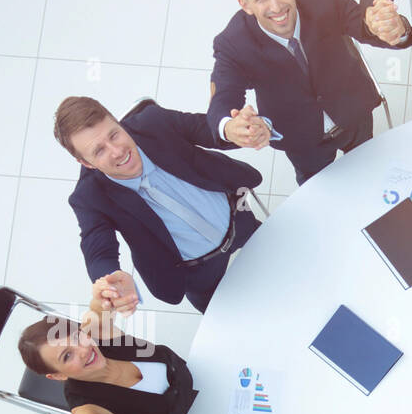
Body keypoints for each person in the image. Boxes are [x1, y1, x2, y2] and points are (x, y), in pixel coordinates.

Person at [209, 0, 412, 185]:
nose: (276, 7)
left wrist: (395, 29)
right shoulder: (233, 43)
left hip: (353, 112)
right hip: (300, 139)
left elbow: (367, 27)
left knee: (372, 174)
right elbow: (222, 100)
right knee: (319, 191)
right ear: (244, 5)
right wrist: (230, 126)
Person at [57, 95, 263, 313]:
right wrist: (110, 283)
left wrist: (234, 128)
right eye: (99, 151)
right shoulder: (89, 197)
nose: (117, 151)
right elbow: (99, 253)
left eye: (114, 135)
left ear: (118, 123)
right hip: (199, 272)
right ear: (85, 162)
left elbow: (206, 129)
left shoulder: (153, 122)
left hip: (238, 222)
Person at [18, 311, 196, 414]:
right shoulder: (84, 409)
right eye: (67, 356)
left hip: (193, 376)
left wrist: (108, 288)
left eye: (76, 336)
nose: (84, 349)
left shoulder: (98, 332)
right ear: (58, 375)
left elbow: (101, 302)